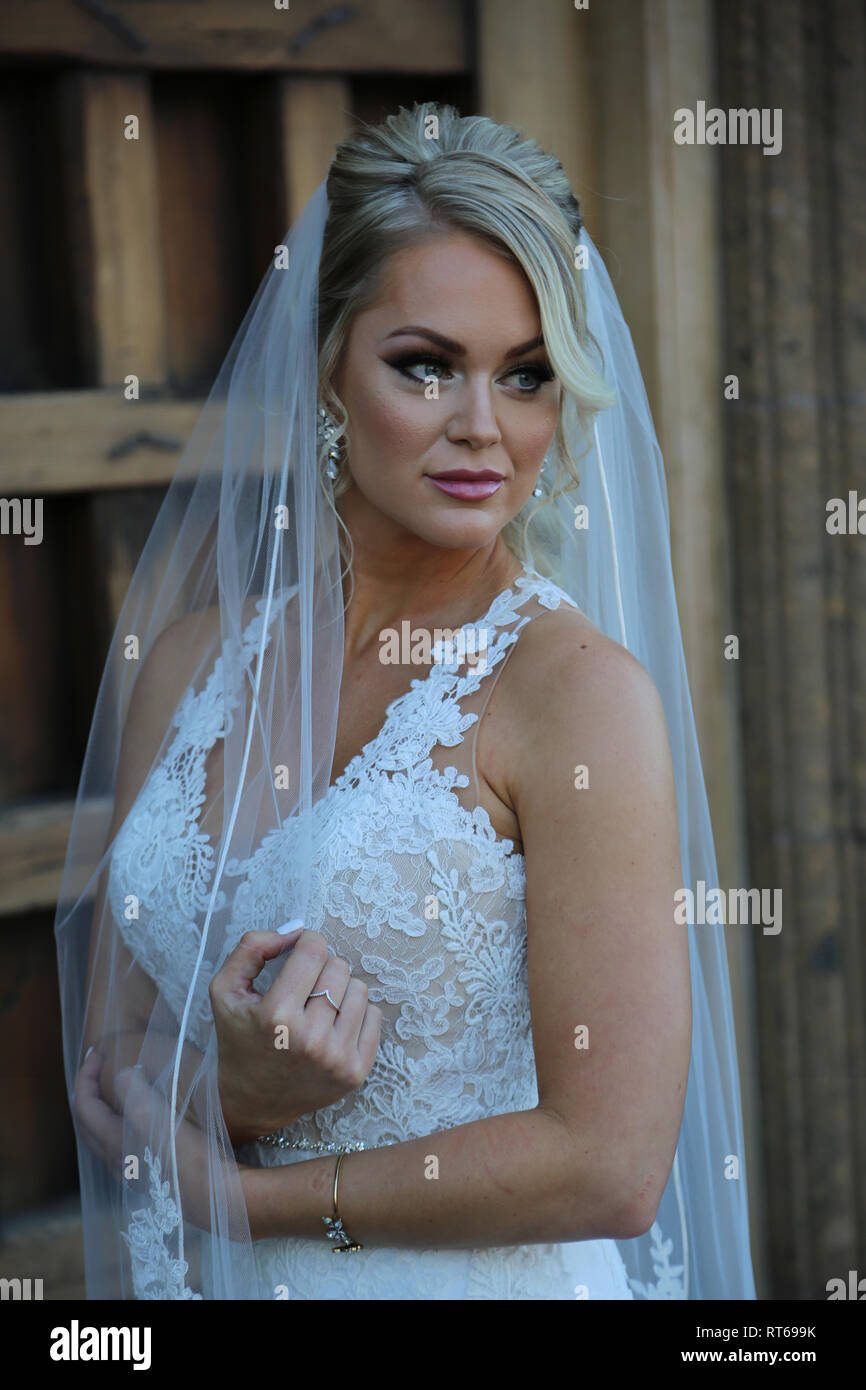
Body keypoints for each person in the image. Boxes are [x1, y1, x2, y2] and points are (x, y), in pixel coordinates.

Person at [56, 101, 756, 1299]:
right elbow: (112, 1058)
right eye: (424, 365)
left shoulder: (575, 698)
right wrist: (239, 1091)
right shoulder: (187, 665)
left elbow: (612, 1164)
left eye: (526, 375)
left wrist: (254, 1195)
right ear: (326, 366)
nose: (483, 428)